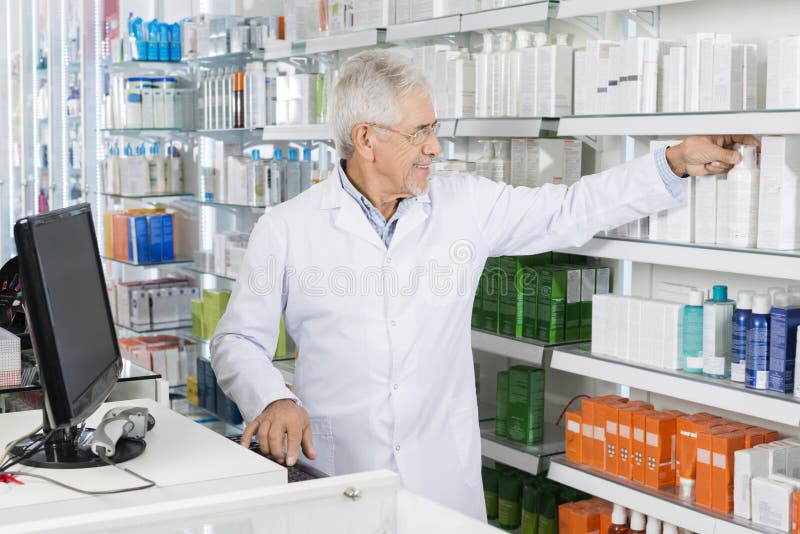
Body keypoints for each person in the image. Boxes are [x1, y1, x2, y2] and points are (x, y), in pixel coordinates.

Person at [211, 49, 757, 520]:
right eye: (419, 132)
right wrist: (274, 398)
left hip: (439, 481)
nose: (434, 147)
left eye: (434, 129)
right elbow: (236, 340)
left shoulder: (463, 204)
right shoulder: (287, 228)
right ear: (365, 139)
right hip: (336, 473)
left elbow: (568, 210)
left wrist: (673, 162)